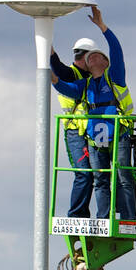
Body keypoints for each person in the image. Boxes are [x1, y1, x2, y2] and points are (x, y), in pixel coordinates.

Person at [51, 6, 136, 223]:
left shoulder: (114, 77)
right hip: (96, 139)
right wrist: (53, 80)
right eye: (90, 58)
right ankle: (103, 218)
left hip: (118, 134)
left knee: (123, 175)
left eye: (97, 56)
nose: (92, 59)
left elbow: (117, 50)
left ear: (106, 63)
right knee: (100, 179)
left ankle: (128, 218)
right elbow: (66, 86)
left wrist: (102, 27)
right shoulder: (85, 83)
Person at [50, 36, 96, 218]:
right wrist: (49, 50)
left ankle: (84, 214)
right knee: (84, 173)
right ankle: (76, 216)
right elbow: (58, 69)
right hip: (75, 132)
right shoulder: (72, 74)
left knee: (98, 174)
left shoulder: (91, 77)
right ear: (85, 57)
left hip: (91, 131)